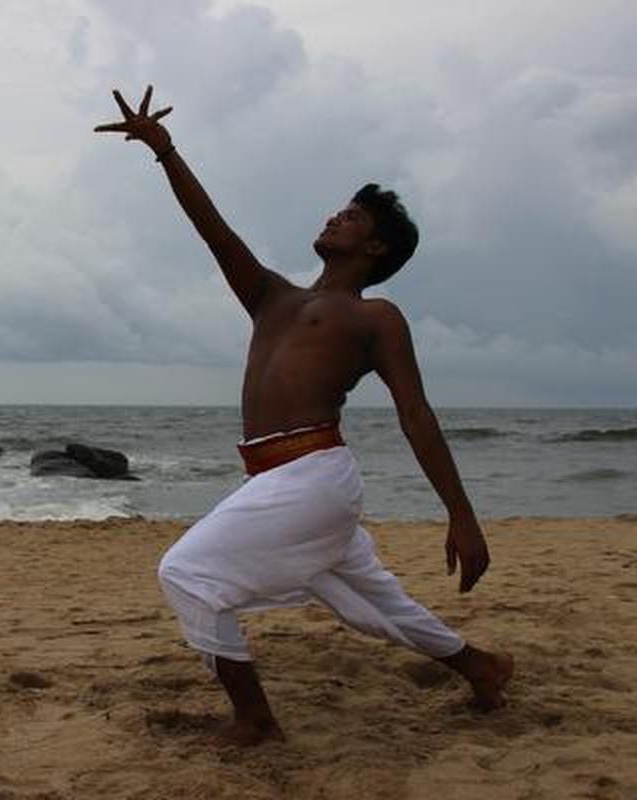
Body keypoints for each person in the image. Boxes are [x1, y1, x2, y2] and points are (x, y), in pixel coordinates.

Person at [95, 86, 514, 745]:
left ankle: (255, 719)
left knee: (187, 573)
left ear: (375, 249)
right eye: (339, 210)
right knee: (370, 601)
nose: (334, 218)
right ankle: (481, 667)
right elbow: (215, 233)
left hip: (314, 475)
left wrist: (461, 516)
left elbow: (415, 413)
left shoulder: (375, 317)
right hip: (275, 480)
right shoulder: (272, 297)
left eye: (352, 217)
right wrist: (165, 150)